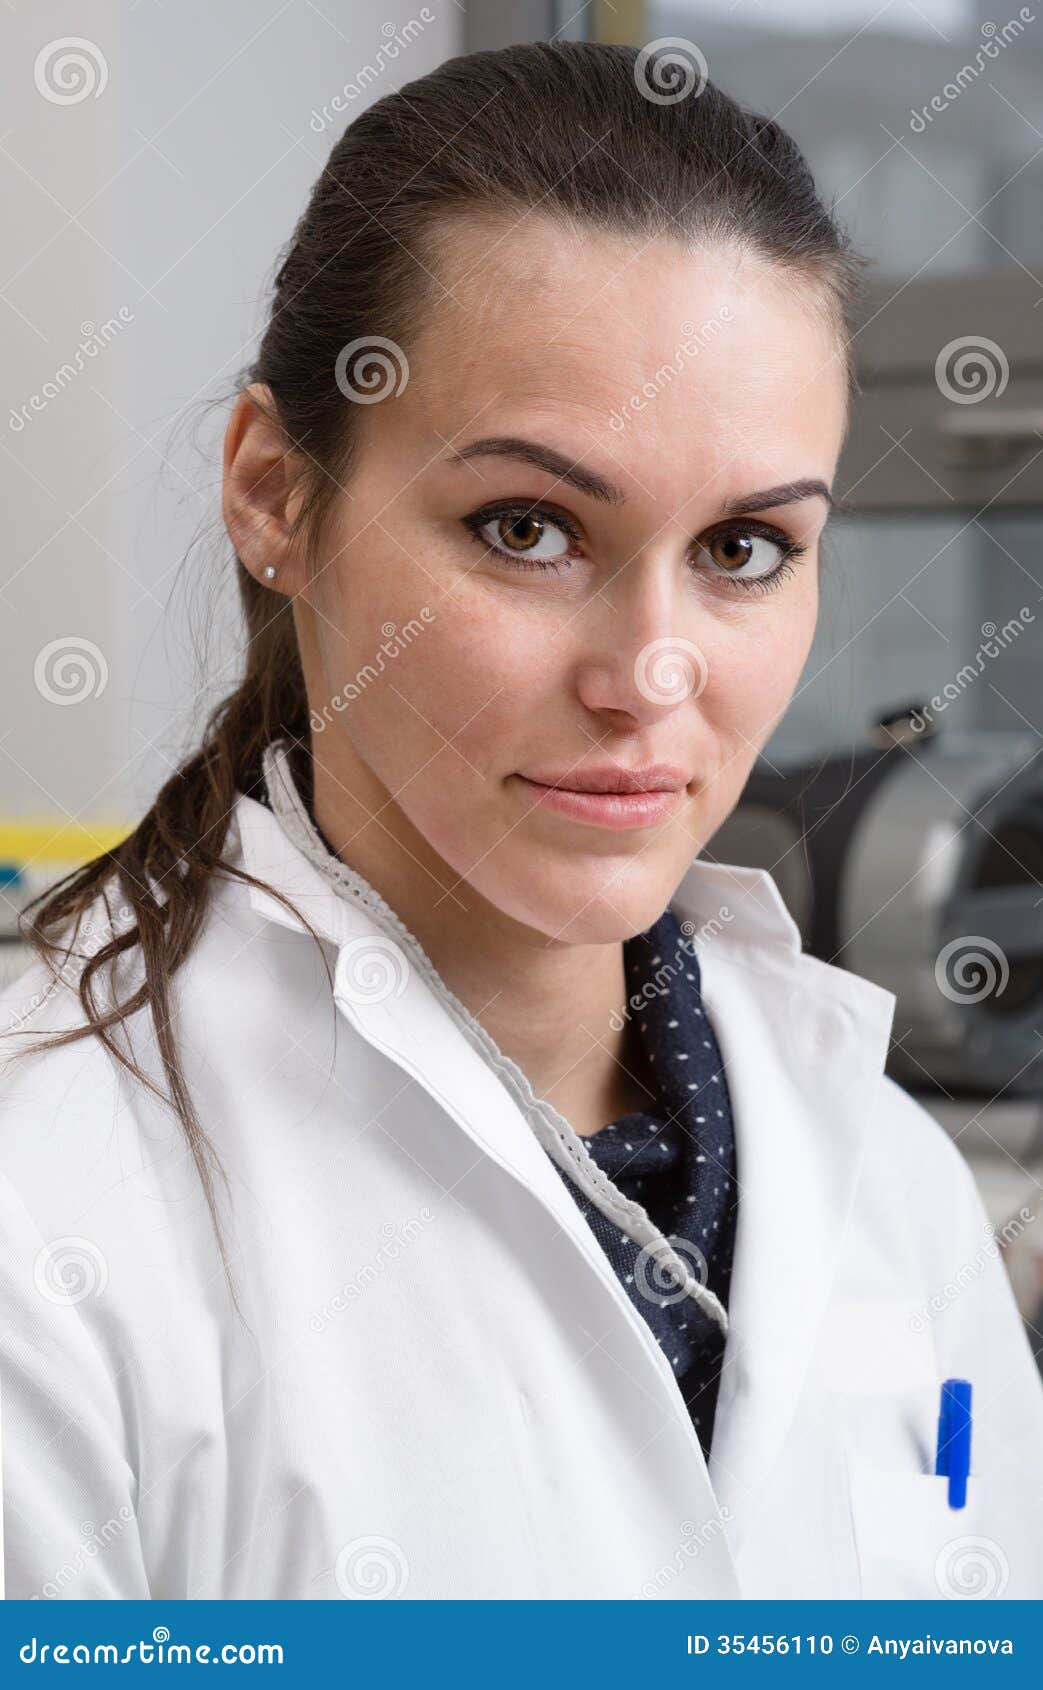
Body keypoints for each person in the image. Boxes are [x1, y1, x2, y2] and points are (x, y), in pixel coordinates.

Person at [2, 39, 1041, 1602]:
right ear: (279, 495)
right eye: (529, 527)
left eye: (748, 546)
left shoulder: (879, 1174)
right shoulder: (50, 1213)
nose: (650, 675)